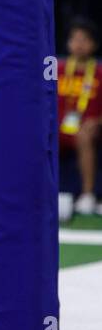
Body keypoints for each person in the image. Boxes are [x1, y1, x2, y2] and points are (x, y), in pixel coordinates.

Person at [59, 19, 100, 217]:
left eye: (84, 39)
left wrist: (98, 122)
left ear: (93, 44)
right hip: (60, 128)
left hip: (89, 131)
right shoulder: (55, 69)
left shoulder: (99, 72)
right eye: (74, 39)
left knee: (85, 134)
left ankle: (87, 195)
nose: (78, 44)